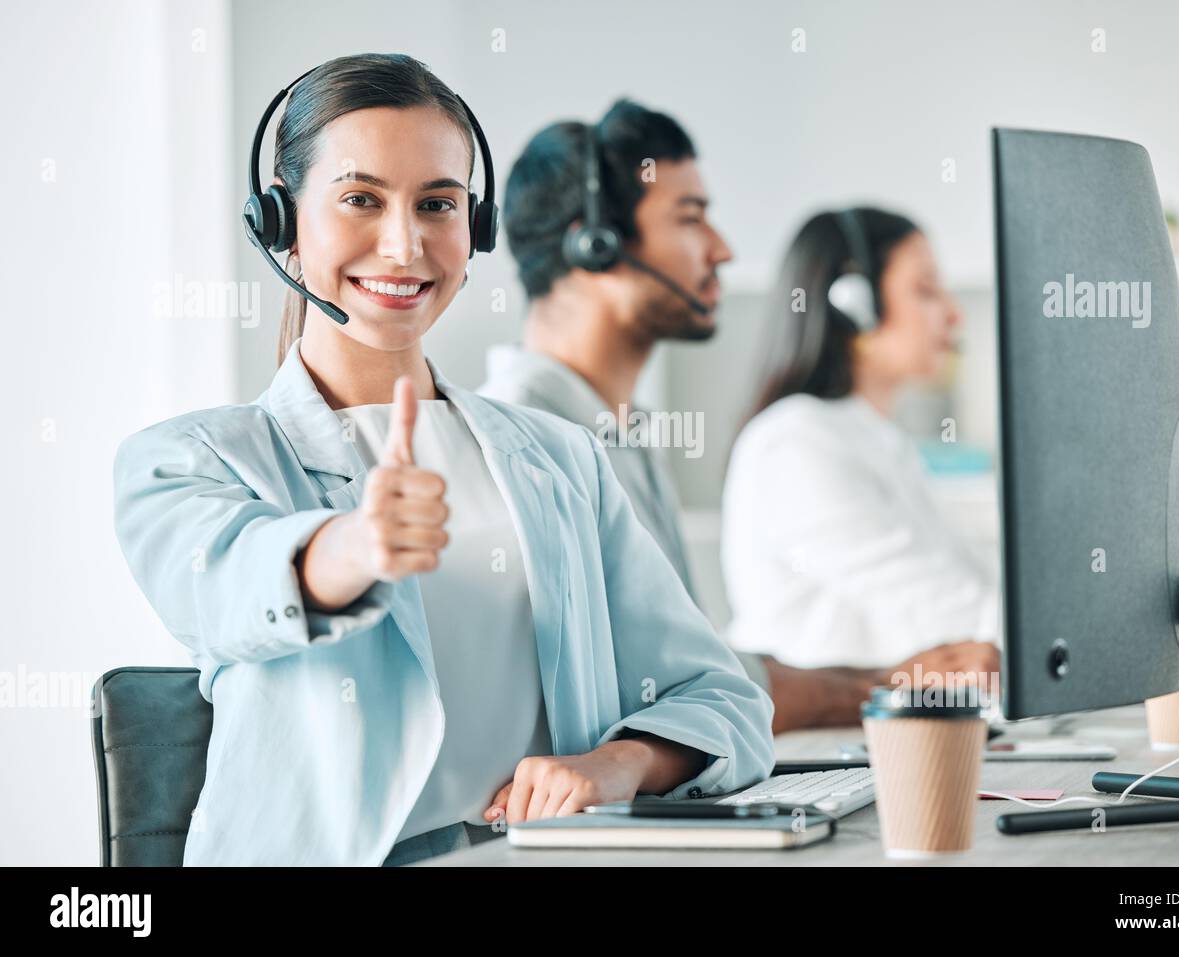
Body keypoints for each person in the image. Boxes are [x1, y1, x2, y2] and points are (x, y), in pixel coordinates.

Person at [112, 54, 773, 867]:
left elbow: (723, 700)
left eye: (438, 204)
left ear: (476, 229)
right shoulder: (187, 460)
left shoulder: (561, 457)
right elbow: (229, 586)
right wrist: (356, 545)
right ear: (280, 224)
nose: (404, 243)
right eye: (360, 200)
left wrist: (614, 765)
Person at [481, 102, 997, 732]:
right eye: (690, 218)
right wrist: (885, 685)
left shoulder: (622, 434)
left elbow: (688, 671)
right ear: (596, 245)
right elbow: (632, 694)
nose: (722, 250)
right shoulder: (518, 436)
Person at [722, 207, 1002, 674]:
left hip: (878, 734)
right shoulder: (796, 443)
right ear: (855, 306)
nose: (953, 314)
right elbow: (952, 611)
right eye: (926, 290)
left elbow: (974, 583)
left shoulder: (885, 444)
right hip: (813, 740)